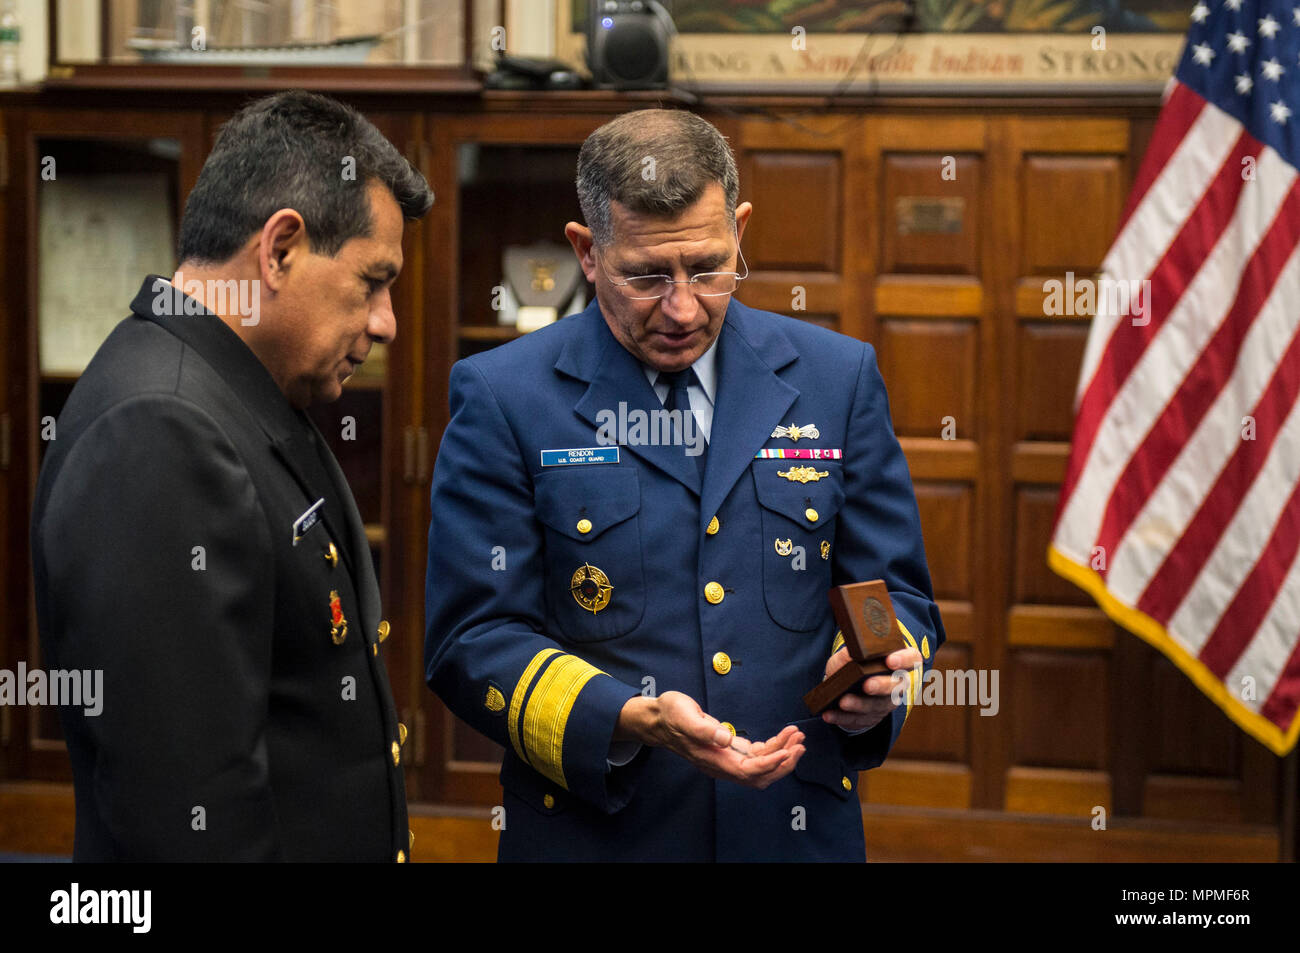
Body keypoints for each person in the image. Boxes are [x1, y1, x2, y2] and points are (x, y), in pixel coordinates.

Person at [424, 108, 945, 862]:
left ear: (741, 230)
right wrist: (628, 716)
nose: (682, 307)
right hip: (602, 834)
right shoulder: (506, 396)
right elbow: (470, 640)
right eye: (646, 275)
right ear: (586, 252)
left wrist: (874, 678)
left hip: (792, 831)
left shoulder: (837, 378)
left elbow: (894, 592)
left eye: (707, 267)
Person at [31, 90, 433, 862]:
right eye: (371, 281)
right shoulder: (161, 427)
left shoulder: (236, 391)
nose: (385, 321)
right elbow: (186, 816)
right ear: (279, 249)